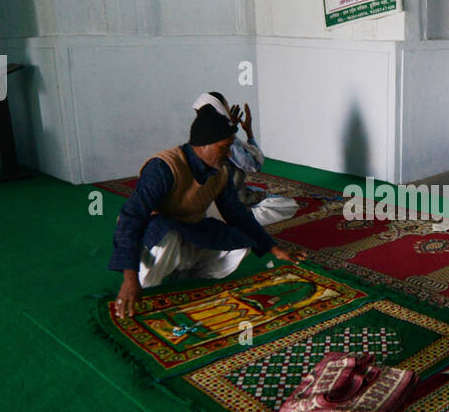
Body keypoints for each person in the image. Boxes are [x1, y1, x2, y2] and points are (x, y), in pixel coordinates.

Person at [110, 105, 306, 318]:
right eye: (224, 147)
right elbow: (130, 218)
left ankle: (182, 276)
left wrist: (275, 250)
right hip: (159, 235)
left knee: (241, 243)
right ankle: (153, 273)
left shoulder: (220, 171)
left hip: (194, 230)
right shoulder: (164, 167)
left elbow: (237, 215)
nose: (229, 153)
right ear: (204, 145)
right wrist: (129, 279)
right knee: (154, 267)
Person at [192, 92, 299, 226]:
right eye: (226, 106)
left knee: (256, 191)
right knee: (288, 205)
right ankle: (237, 219)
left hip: (204, 205)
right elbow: (254, 166)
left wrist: (238, 130)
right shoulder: (225, 141)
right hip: (228, 202)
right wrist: (247, 132)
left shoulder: (198, 137)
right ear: (219, 109)